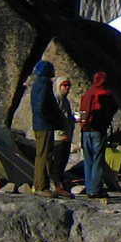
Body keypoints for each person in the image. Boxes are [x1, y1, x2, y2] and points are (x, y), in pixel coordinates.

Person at [28, 60, 69, 195]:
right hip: (44, 124)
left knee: (43, 154)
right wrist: (51, 119)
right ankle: (41, 186)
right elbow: (41, 106)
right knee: (44, 155)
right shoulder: (44, 84)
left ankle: (40, 185)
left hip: (41, 124)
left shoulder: (38, 84)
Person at [77, 70, 118, 201]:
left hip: (86, 130)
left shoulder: (87, 94)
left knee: (88, 159)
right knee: (97, 160)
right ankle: (95, 189)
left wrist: (83, 126)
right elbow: (114, 108)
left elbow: (82, 112)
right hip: (98, 130)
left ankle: (89, 187)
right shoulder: (107, 94)